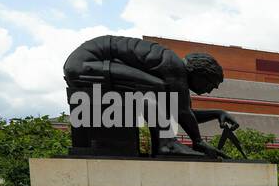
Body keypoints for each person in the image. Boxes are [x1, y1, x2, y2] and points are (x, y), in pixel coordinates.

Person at [62, 35, 243, 158]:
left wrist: (217, 113)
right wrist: (198, 142)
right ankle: (167, 144)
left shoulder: (172, 69)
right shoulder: (174, 66)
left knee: (157, 89)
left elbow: (182, 112)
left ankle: (165, 144)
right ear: (201, 75)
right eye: (211, 85)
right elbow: (182, 112)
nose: (209, 91)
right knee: (156, 87)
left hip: (87, 66)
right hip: (85, 65)